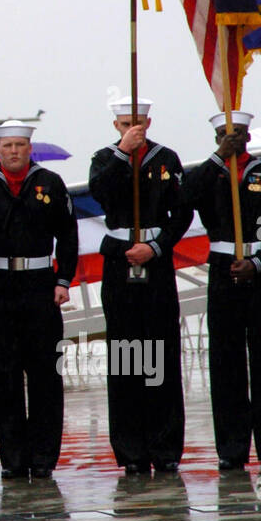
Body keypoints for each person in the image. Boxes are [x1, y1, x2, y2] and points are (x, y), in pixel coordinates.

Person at [0, 120, 78, 479]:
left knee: (44, 373)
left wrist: (63, 280)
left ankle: (43, 457)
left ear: (30, 148)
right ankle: (13, 459)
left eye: (20, 146)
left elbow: (68, 235)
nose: (13, 151)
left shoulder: (50, 183)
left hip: (40, 286)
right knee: (3, 374)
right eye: (8, 146)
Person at [182, 111, 261, 471]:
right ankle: (231, 447)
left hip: (257, 272)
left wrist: (260, 263)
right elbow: (183, 203)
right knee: (226, 362)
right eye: (225, 135)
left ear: (248, 135)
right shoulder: (208, 174)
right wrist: (217, 159)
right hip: (222, 271)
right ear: (216, 138)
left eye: (239, 133)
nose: (233, 139)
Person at [87, 98, 191, 475]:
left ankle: (165, 448)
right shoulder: (104, 158)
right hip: (119, 262)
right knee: (127, 354)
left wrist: (156, 247)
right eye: (126, 122)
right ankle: (130, 450)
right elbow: (100, 192)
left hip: (156, 260)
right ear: (116, 124)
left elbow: (182, 213)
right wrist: (122, 154)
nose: (133, 127)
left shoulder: (167, 159)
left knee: (160, 354)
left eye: (139, 121)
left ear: (149, 121)